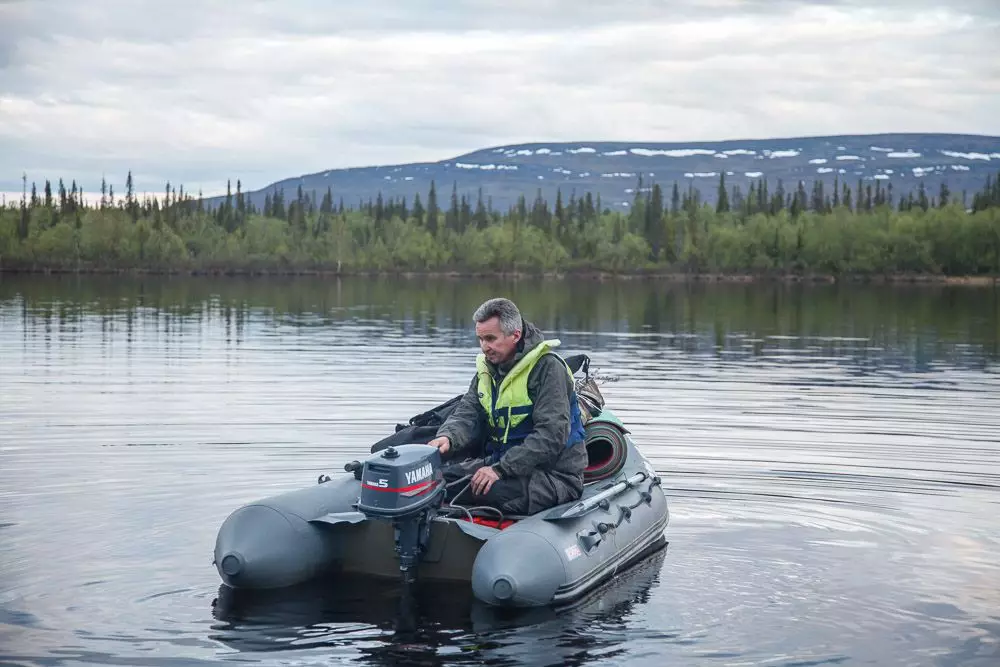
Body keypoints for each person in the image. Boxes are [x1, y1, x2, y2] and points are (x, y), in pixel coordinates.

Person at [428, 297, 588, 515]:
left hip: (553, 476)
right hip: (502, 465)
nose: (485, 347)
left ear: (515, 335)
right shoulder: (488, 369)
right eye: (481, 339)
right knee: (435, 480)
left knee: (487, 490)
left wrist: (500, 470)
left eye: (491, 339)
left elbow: (551, 435)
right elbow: (467, 413)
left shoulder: (549, 369)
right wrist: (448, 437)